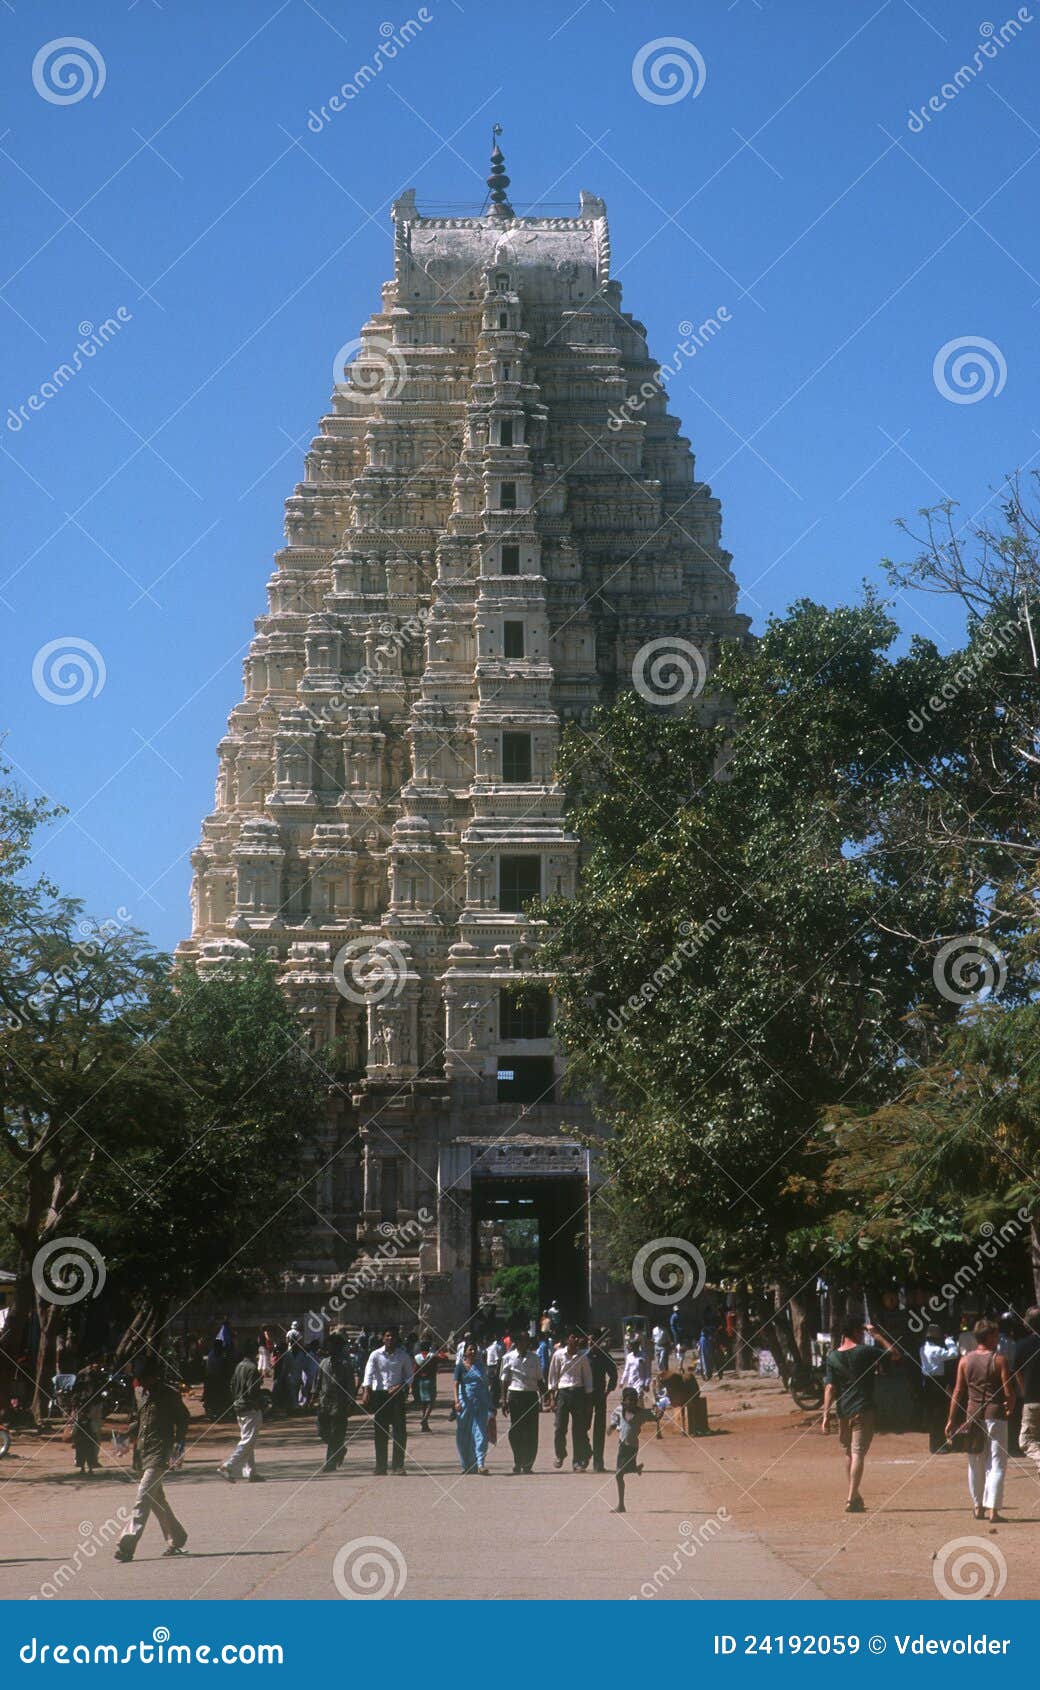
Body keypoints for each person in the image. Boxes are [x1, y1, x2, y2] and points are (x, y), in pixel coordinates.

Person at [114, 1355, 189, 1562]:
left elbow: (183, 1419)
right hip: (143, 1453)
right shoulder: (139, 1394)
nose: (138, 1383)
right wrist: (125, 1437)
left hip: (161, 1452)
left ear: (153, 1377)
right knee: (156, 1499)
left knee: (143, 1496)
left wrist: (179, 1445)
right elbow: (139, 1421)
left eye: (142, 1378)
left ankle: (127, 1544)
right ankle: (177, 1536)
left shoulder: (169, 1395)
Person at [821, 1314, 895, 1513]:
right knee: (858, 1453)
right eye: (862, 1332)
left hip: (843, 1409)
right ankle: (851, 1497)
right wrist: (877, 1335)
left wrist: (826, 1415)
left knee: (849, 1453)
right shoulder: (865, 1352)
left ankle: (855, 1495)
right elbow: (894, 1353)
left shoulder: (832, 1356)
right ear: (856, 1332)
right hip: (863, 1407)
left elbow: (829, 1388)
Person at [946, 1318, 1016, 1523]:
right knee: (996, 1463)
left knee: (974, 1462)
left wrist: (951, 1419)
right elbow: (1008, 1391)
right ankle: (993, 1509)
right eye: (996, 1335)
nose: (998, 1339)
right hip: (995, 1416)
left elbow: (958, 1392)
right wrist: (1010, 1406)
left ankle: (978, 1506)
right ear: (990, 1336)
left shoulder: (965, 1361)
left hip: (972, 1416)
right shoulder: (999, 1359)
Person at [361, 1327, 413, 1475]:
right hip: (380, 1395)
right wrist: (366, 1391)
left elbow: (409, 1376)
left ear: (397, 1338)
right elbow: (368, 1373)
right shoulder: (375, 1355)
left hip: (397, 1396)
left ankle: (398, 1465)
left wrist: (400, 1386)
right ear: (383, 1338)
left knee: (399, 1431)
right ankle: (380, 1466)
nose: (390, 1338)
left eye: (393, 1336)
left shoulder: (403, 1356)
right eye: (388, 1336)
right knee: (380, 1432)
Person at [218, 1340, 265, 1483]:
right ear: (253, 1353)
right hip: (250, 1408)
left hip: (239, 1407)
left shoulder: (239, 1366)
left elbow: (232, 1385)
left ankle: (251, 1472)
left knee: (248, 1440)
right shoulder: (252, 1368)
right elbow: (252, 1391)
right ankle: (228, 1466)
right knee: (248, 1441)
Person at [610, 1386, 661, 1513]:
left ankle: (621, 1505)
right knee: (620, 1473)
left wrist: (659, 1411)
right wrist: (611, 1427)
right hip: (622, 1445)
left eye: (634, 1400)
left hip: (632, 1446)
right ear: (623, 1401)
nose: (632, 1403)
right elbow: (614, 1419)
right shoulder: (619, 1410)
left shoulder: (641, 1413)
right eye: (629, 1400)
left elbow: (655, 1416)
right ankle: (621, 1503)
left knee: (619, 1473)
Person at [500, 1329, 544, 1474]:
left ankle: (528, 1463)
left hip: (531, 1395)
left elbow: (539, 1379)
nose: (524, 1344)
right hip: (515, 1395)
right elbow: (504, 1380)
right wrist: (503, 1400)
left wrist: (545, 1397)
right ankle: (518, 1460)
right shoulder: (508, 1357)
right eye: (521, 1341)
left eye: (526, 1341)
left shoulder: (535, 1358)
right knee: (516, 1430)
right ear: (516, 1342)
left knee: (531, 1431)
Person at [548, 1331, 593, 1470]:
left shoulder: (583, 1357)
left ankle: (578, 1461)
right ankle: (560, 1454)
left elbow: (587, 1379)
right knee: (560, 1427)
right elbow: (553, 1377)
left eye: (578, 1337)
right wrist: (552, 1399)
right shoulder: (558, 1355)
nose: (575, 1340)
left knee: (579, 1429)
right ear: (568, 1339)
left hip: (578, 1393)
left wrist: (588, 1402)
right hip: (563, 1393)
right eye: (573, 1336)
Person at [313, 1329, 357, 1472]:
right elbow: (317, 1382)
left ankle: (330, 1463)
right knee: (322, 1431)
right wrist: (313, 1397)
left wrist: (351, 1402)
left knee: (336, 1433)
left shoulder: (346, 1364)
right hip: (324, 1403)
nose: (330, 1349)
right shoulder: (323, 1363)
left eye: (333, 1346)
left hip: (340, 1404)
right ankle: (340, 1449)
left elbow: (351, 1384)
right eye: (329, 1346)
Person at [919, 1323, 958, 1453]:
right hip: (937, 1382)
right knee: (939, 1413)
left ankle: (938, 1443)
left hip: (927, 1382)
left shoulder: (923, 1348)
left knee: (933, 1413)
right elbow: (953, 1354)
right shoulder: (936, 1350)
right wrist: (949, 1340)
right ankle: (937, 1445)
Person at [454, 1342, 492, 1474]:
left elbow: (486, 1386)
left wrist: (491, 1405)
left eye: (475, 1350)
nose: (473, 1352)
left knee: (481, 1433)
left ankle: (480, 1463)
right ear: (465, 1352)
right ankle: (467, 1465)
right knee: (464, 1434)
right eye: (470, 1350)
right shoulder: (460, 1367)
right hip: (465, 1404)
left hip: (481, 1403)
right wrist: (456, 1402)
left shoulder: (481, 1367)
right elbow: (455, 1385)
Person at [585, 1329, 618, 1474]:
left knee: (599, 1430)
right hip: (584, 1397)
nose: (591, 1343)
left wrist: (608, 1391)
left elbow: (613, 1375)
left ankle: (598, 1463)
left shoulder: (605, 1357)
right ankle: (585, 1453)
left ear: (599, 1342)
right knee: (582, 1428)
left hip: (599, 1396)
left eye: (594, 1341)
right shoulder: (582, 1357)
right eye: (589, 1340)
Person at [1012, 1305, 1040, 1477]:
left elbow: (1017, 1373)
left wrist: (1023, 1392)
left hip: (1032, 1399)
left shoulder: (1022, 1345)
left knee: (1026, 1440)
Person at [70, 1363, 104, 1476]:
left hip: (91, 1408)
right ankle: (86, 1463)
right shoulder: (84, 1375)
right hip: (84, 1408)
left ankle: (92, 1462)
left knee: (93, 1436)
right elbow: (77, 1392)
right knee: (87, 1438)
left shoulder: (99, 1375)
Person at [413, 1337, 438, 1432]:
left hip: (421, 1381)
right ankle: (425, 1419)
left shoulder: (417, 1357)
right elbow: (444, 1357)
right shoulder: (432, 1356)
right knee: (431, 1402)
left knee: (423, 1403)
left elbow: (414, 1371)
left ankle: (425, 1425)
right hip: (431, 1380)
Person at [485, 1333, 503, 1408]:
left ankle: (493, 1402)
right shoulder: (489, 1348)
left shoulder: (494, 1347)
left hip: (493, 1367)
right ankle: (492, 1402)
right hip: (490, 1367)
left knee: (494, 1386)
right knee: (492, 1386)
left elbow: (498, 1359)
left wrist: (497, 1370)